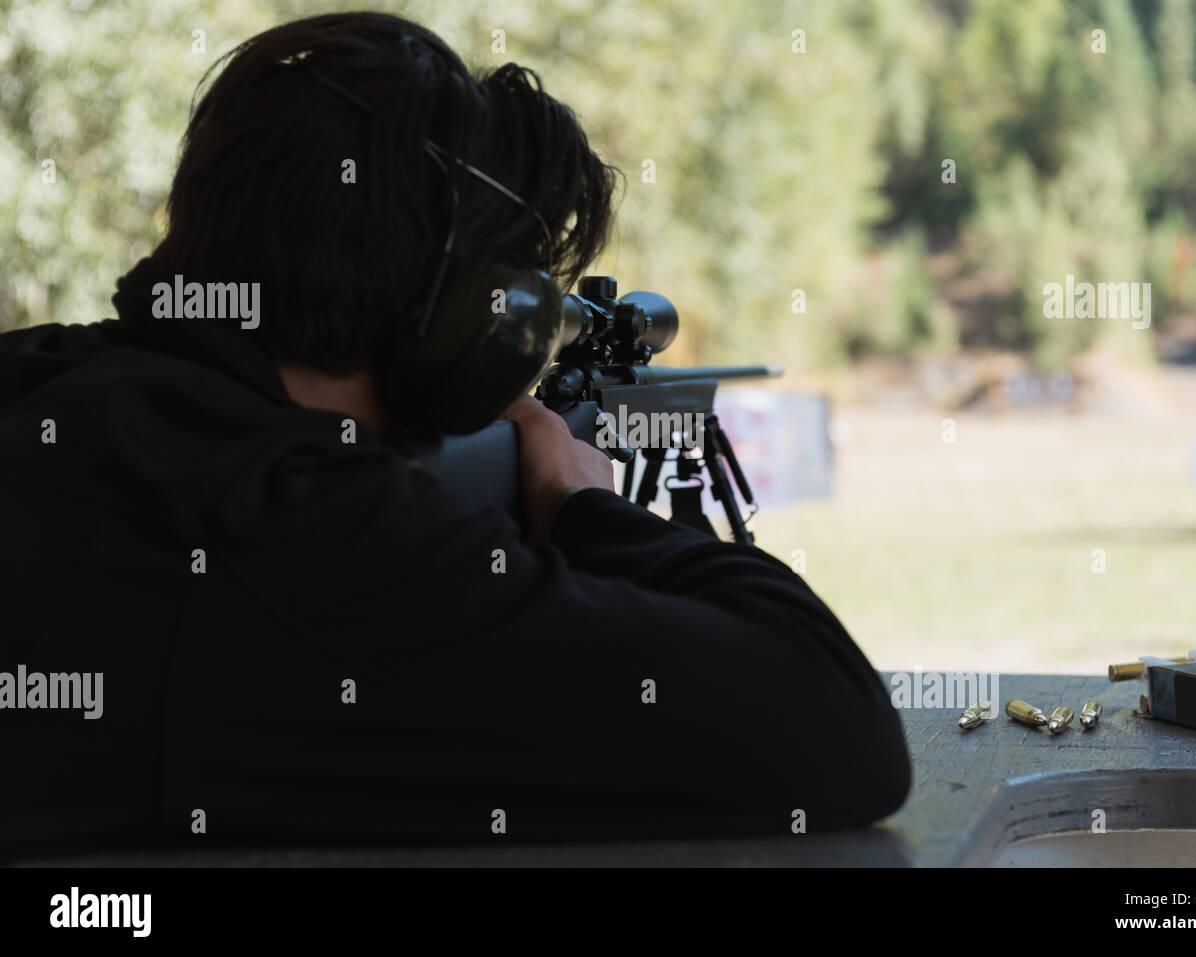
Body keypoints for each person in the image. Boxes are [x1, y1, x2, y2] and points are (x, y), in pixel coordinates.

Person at [0, 11, 908, 856]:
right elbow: (837, 729)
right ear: (467, 325)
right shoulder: (299, 526)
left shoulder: (46, 381)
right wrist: (585, 504)